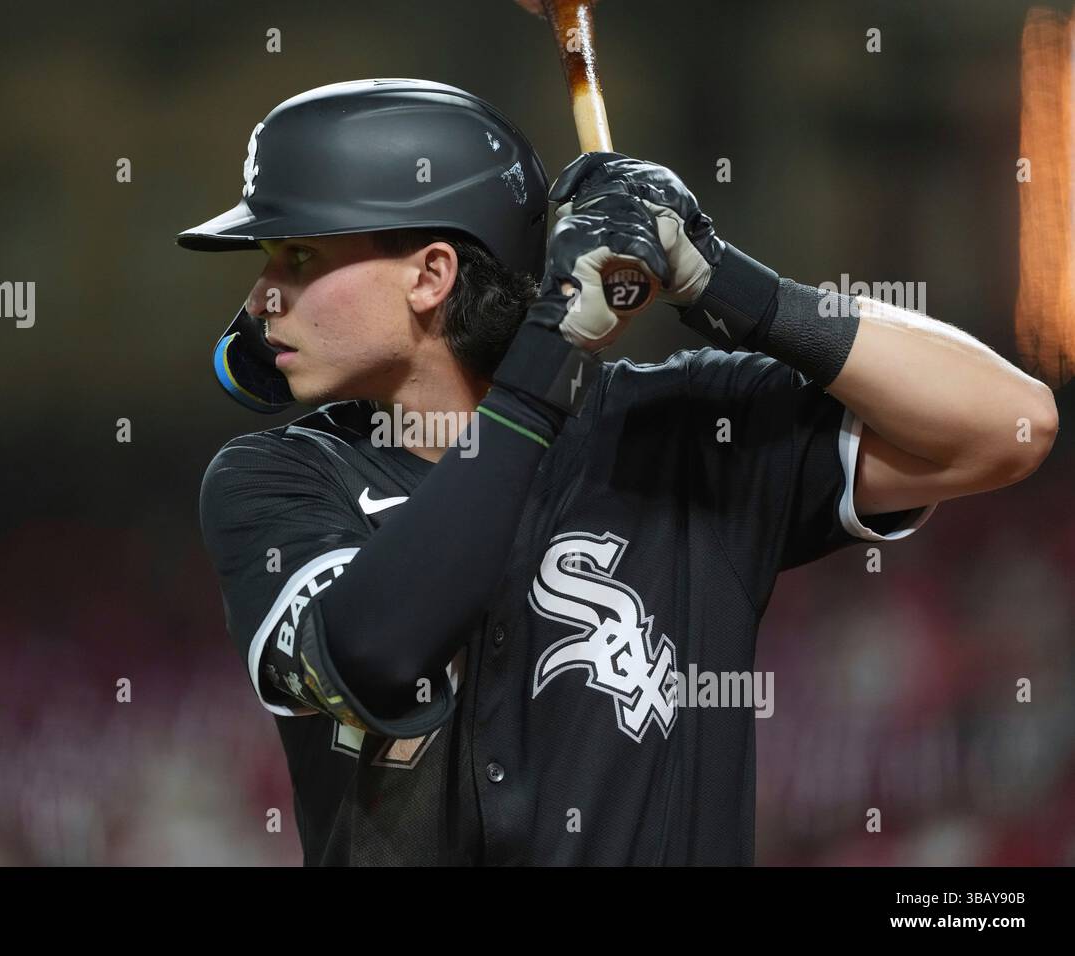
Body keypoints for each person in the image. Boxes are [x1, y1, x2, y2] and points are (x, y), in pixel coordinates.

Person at [178, 78, 1058, 865]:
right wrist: (549, 352)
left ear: (431, 275)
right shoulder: (277, 477)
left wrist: (729, 285)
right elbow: (373, 655)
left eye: (298, 257)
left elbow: (1010, 426)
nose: (261, 296)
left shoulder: (678, 430)